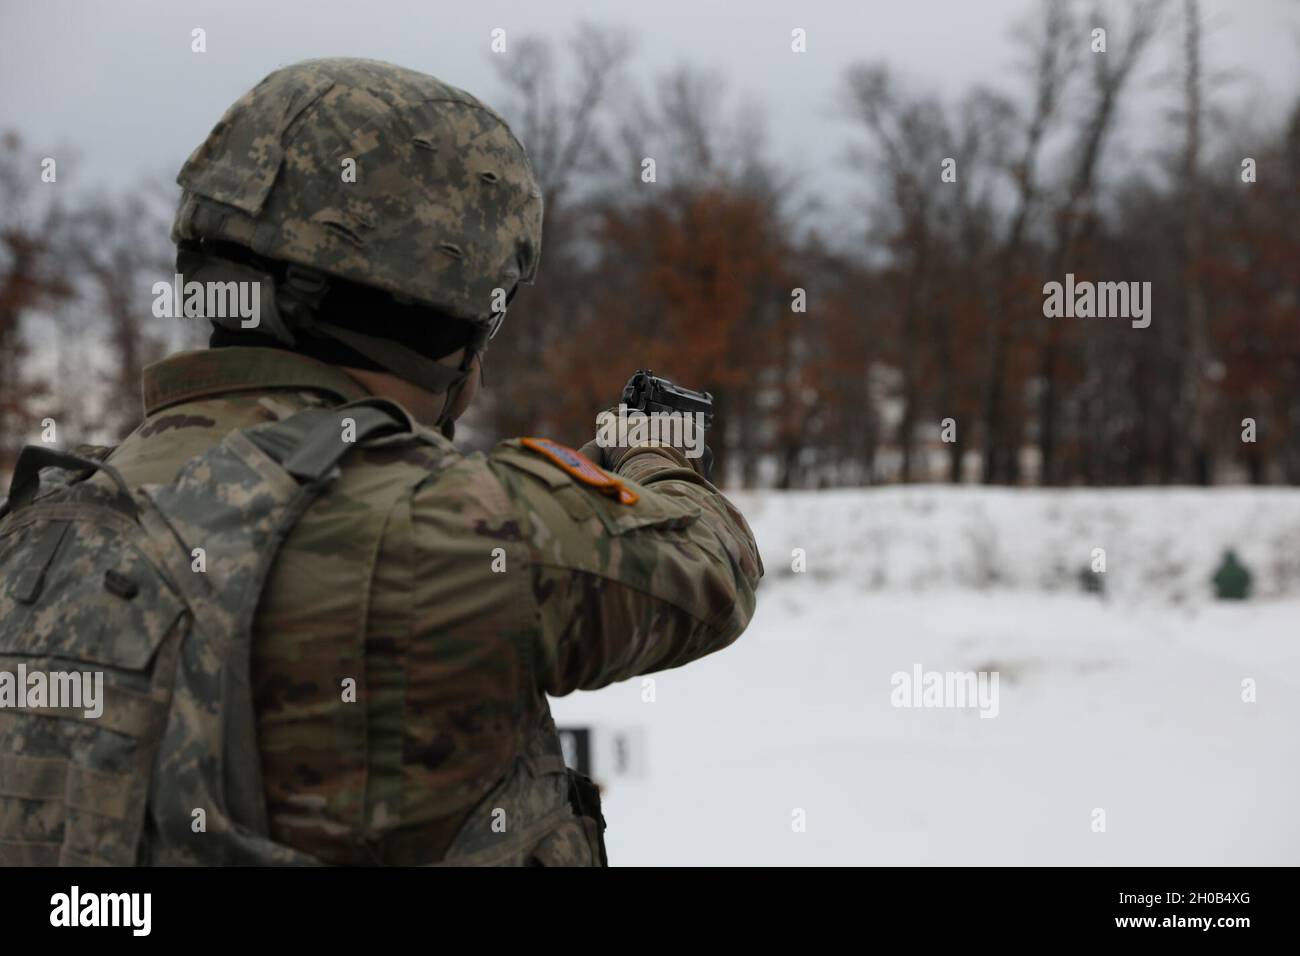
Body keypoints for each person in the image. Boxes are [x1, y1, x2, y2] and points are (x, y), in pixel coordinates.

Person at [0, 58, 762, 866]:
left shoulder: (40, 530)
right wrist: (654, 455)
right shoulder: (438, 523)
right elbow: (709, 567)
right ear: (451, 319)